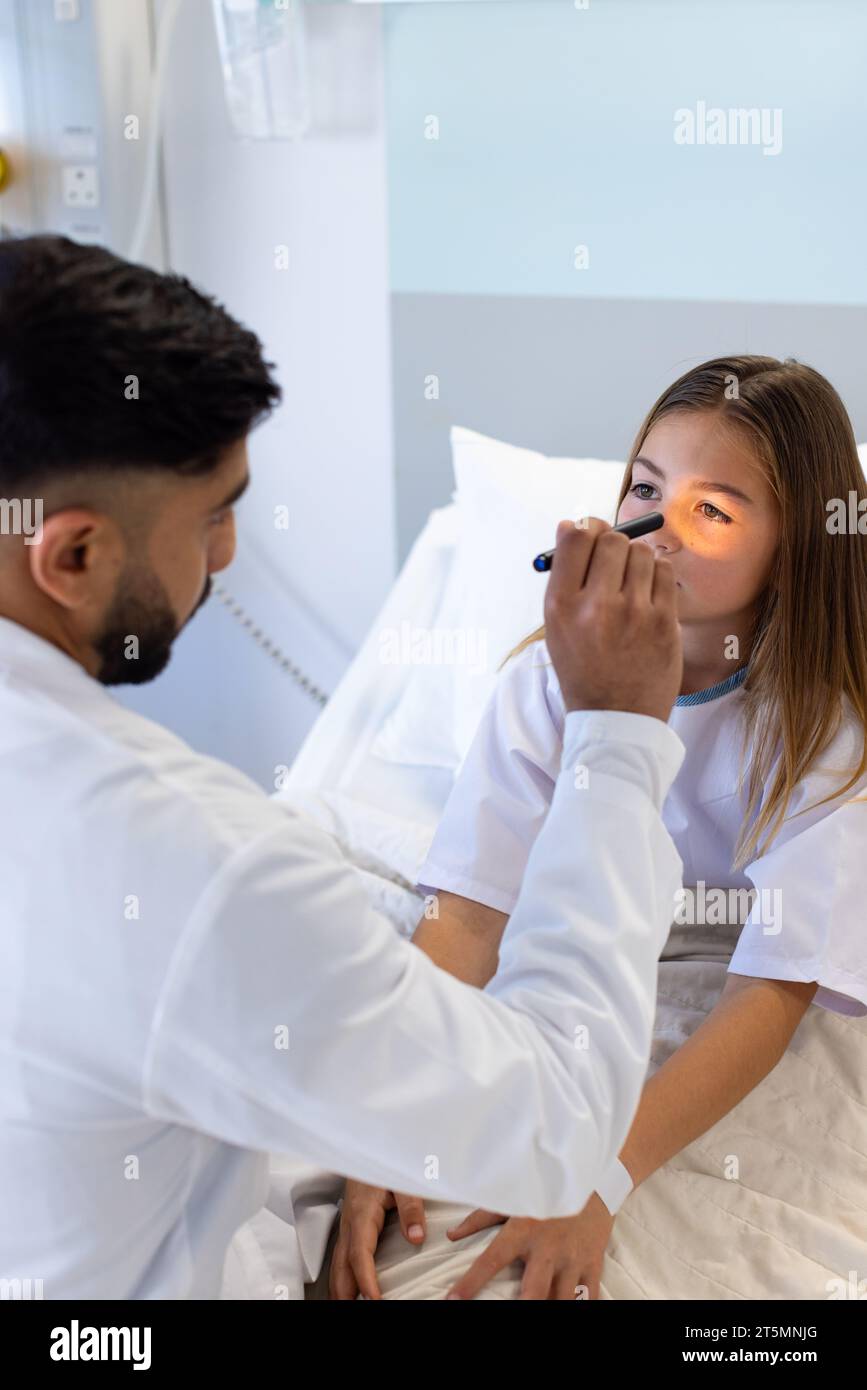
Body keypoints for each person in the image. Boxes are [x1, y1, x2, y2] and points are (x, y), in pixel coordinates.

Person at [0, 235, 686, 1299]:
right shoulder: (186, 863)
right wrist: (620, 734)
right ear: (74, 555)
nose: (226, 557)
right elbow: (553, 1119)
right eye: (216, 516)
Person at [332, 355, 867, 1300]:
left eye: (715, 509)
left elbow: (768, 998)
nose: (655, 528)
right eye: (646, 489)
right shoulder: (542, 684)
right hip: (580, 961)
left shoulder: (820, 732)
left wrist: (600, 1177)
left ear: (796, 548)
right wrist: (383, 1110)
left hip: (735, 997)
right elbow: (466, 915)